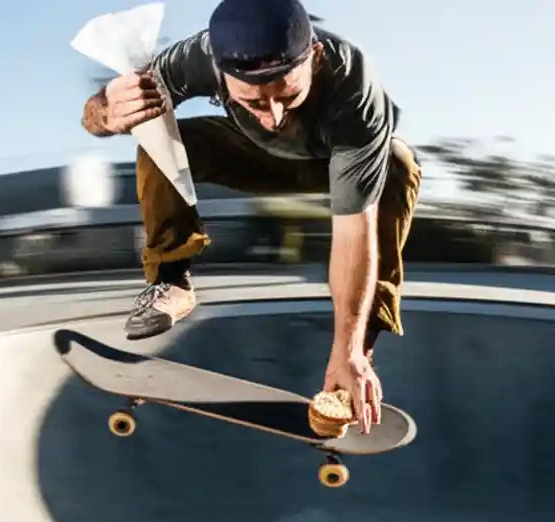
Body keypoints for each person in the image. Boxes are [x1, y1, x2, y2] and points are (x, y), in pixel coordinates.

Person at [80, 0, 421, 434]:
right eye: (253, 100)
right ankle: (170, 280)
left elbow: (355, 234)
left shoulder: (355, 90)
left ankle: (359, 352)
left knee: (399, 164)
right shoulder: (192, 60)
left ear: (314, 56)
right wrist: (105, 112)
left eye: (289, 94)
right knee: (160, 134)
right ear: (220, 73)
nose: (275, 115)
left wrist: (348, 346)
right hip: (252, 157)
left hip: (330, 164)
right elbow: (91, 118)